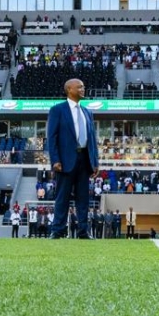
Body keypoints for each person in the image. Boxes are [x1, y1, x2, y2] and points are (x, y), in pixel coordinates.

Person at [46, 78, 99, 239]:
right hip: (65, 160)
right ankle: (57, 230)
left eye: (83, 86)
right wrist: (55, 160)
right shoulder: (57, 110)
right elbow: (51, 137)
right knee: (63, 197)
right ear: (69, 89)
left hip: (84, 158)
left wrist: (95, 161)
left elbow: (92, 138)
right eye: (80, 87)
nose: (83, 89)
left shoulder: (87, 112)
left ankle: (83, 231)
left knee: (83, 198)